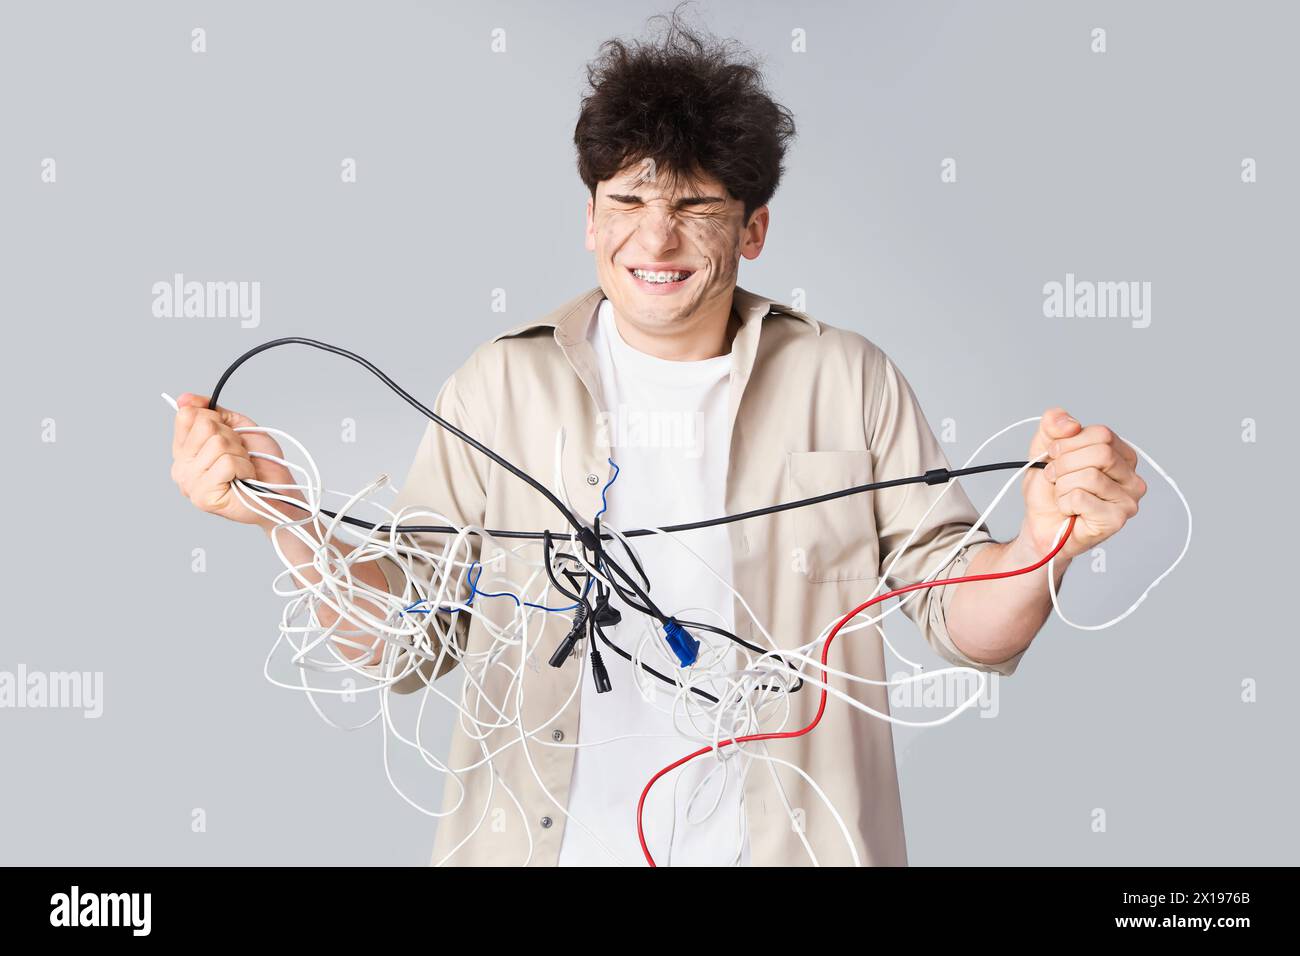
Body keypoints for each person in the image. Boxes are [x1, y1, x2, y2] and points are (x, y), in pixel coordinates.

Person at [167, 10, 1146, 866]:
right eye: (628, 202)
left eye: (693, 206)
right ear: (589, 218)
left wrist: (1041, 545)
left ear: (754, 227)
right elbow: (406, 642)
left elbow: (967, 626)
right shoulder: (498, 384)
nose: (656, 238)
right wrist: (285, 516)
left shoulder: (847, 380)